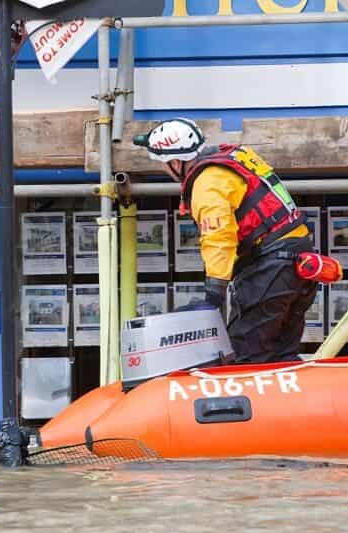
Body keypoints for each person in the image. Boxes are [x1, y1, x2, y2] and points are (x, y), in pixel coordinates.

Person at [134, 118, 318, 363]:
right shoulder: (235, 156)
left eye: (164, 165)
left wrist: (214, 295)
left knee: (247, 354)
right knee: (281, 354)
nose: (165, 171)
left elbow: (218, 237)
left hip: (271, 267)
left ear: (176, 162)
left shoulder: (206, 184)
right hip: (298, 259)